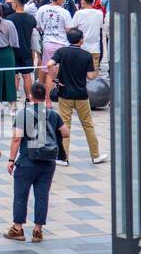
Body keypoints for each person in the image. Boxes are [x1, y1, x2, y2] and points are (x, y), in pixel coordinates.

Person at [5, 81, 66, 243]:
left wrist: (11, 159)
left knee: (21, 195)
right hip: (48, 162)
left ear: (30, 96)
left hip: (27, 160)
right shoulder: (53, 114)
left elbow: (17, 138)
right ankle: (38, 231)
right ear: (45, 95)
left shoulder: (24, 114)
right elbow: (65, 133)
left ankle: (18, 228)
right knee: (42, 196)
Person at [46, 28, 107, 164]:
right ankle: (95, 155)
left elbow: (50, 64)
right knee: (88, 125)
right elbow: (91, 76)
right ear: (81, 40)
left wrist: (54, 78)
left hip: (65, 94)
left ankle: (63, 157)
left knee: (65, 125)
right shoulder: (86, 55)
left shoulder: (62, 52)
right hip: (81, 95)